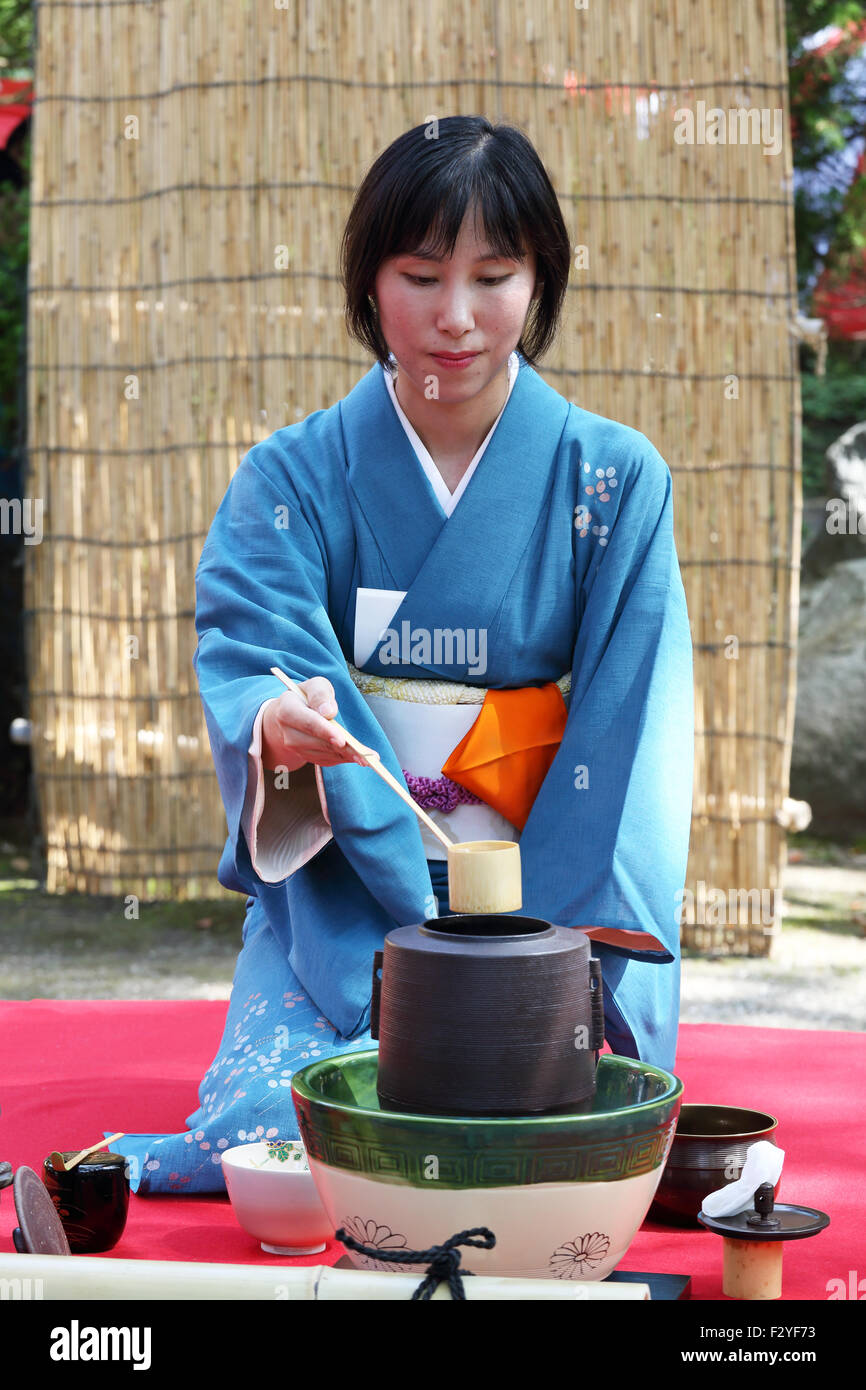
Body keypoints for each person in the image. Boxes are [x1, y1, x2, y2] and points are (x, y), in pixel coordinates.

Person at [114, 115, 693, 1194]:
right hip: (347, 890)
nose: (457, 318)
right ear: (367, 281)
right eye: (421, 275)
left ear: (540, 281)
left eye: (495, 274)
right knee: (276, 1141)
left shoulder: (611, 480)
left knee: (557, 1128)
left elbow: (627, 731)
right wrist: (273, 729)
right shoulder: (291, 479)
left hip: (550, 899)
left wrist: (533, 953)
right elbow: (254, 656)